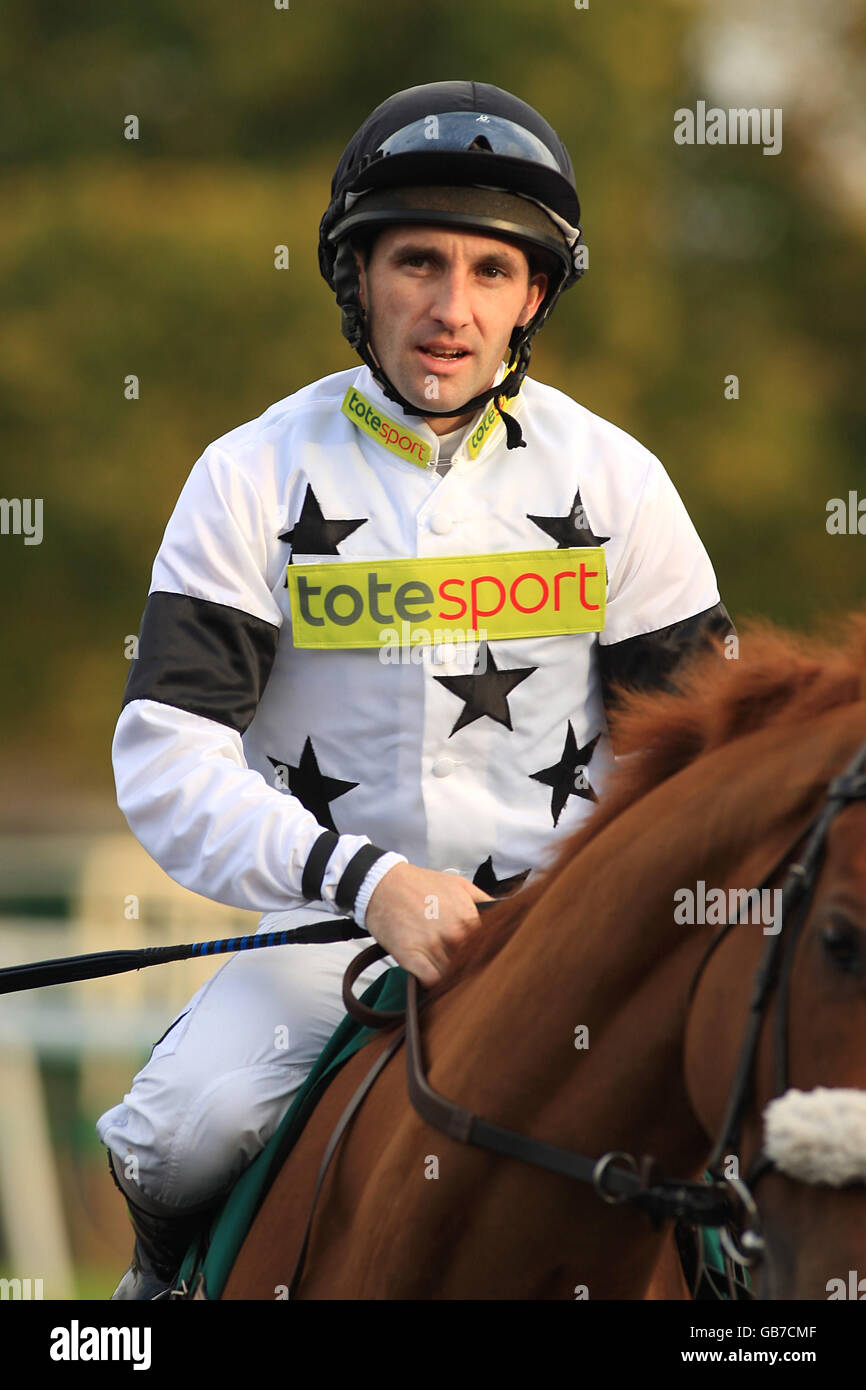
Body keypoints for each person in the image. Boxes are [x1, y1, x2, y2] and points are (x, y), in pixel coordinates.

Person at [98, 80, 733, 1298]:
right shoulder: (247, 475)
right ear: (356, 277)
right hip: (330, 934)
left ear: (533, 296)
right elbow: (167, 756)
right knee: (181, 1132)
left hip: (573, 945)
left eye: (493, 272)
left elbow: (702, 760)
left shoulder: (620, 481)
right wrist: (367, 879)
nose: (451, 311)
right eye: (417, 263)